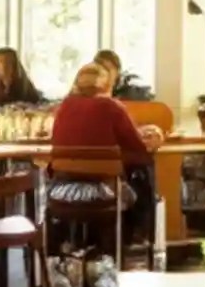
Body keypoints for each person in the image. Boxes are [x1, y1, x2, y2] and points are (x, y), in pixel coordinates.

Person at [50, 62, 163, 243]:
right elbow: (139, 149)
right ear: (107, 85)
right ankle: (140, 238)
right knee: (144, 172)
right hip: (105, 191)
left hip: (61, 190)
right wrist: (154, 139)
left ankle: (71, 243)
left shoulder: (64, 107)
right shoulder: (112, 107)